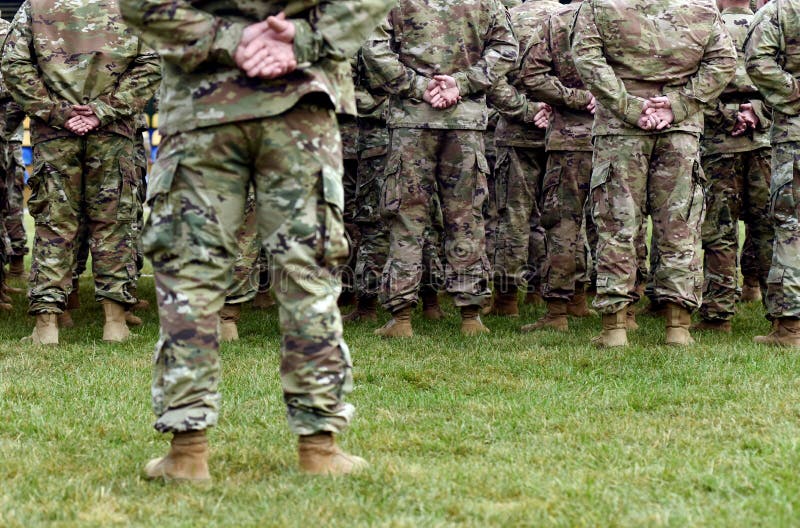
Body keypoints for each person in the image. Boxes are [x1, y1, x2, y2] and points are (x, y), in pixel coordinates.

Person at [120, 0, 394, 481]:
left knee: (190, 279)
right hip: (300, 106)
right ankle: (320, 448)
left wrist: (230, 38)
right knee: (307, 276)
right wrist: (300, 41)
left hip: (203, 106)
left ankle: (188, 452)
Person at [571, 0, 736, 347]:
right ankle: (678, 327)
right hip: (680, 131)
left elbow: (587, 58)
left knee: (617, 225)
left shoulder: (599, 5)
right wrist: (679, 105)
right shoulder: (702, 6)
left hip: (619, 130)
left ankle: (615, 327)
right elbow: (723, 62)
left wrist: (628, 105)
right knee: (680, 224)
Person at [2, 0, 161, 346]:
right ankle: (114, 323)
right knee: (113, 221)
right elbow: (151, 64)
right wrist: (102, 111)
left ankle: (47, 325)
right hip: (113, 133)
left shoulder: (34, 6)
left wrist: (55, 111)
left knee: (54, 223)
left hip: (54, 134)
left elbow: (13, 64)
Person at [362, 0, 518, 338]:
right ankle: (470, 316)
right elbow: (506, 49)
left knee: (406, 217)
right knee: (466, 216)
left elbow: (374, 51)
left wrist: (419, 88)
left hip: (411, 123)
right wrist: (461, 84)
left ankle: (401, 317)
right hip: (464, 123)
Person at [694, 0, 773, 333]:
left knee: (719, 229)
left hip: (719, 144)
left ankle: (718, 313)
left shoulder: (707, 27)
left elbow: (697, 81)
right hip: (763, 140)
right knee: (767, 226)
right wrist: (757, 112)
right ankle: (782, 311)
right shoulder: (766, 25)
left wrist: (726, 116)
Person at [520, 0, 599, 331]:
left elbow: (531, 74)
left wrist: (573, 98)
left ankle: (558, 312)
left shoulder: (558, 21)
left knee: (563, 224)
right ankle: (619, 312)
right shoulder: (625, 17)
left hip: (568, 137)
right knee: (620, 223)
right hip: (619, 135)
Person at [487, 0, 561, 318]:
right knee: (564, 218)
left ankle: (507, 301)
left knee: (514, 217)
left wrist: (526, 110)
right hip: (566, 131)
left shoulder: (507, 19)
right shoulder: (570, 18)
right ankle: (563, 297)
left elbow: (490, 77)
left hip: (517, 132)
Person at [745, 0, 800, 346]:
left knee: (792, 225)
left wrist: (793, 92)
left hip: (794, 134)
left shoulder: (781, 10)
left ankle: (790, 327)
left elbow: (757, 61)